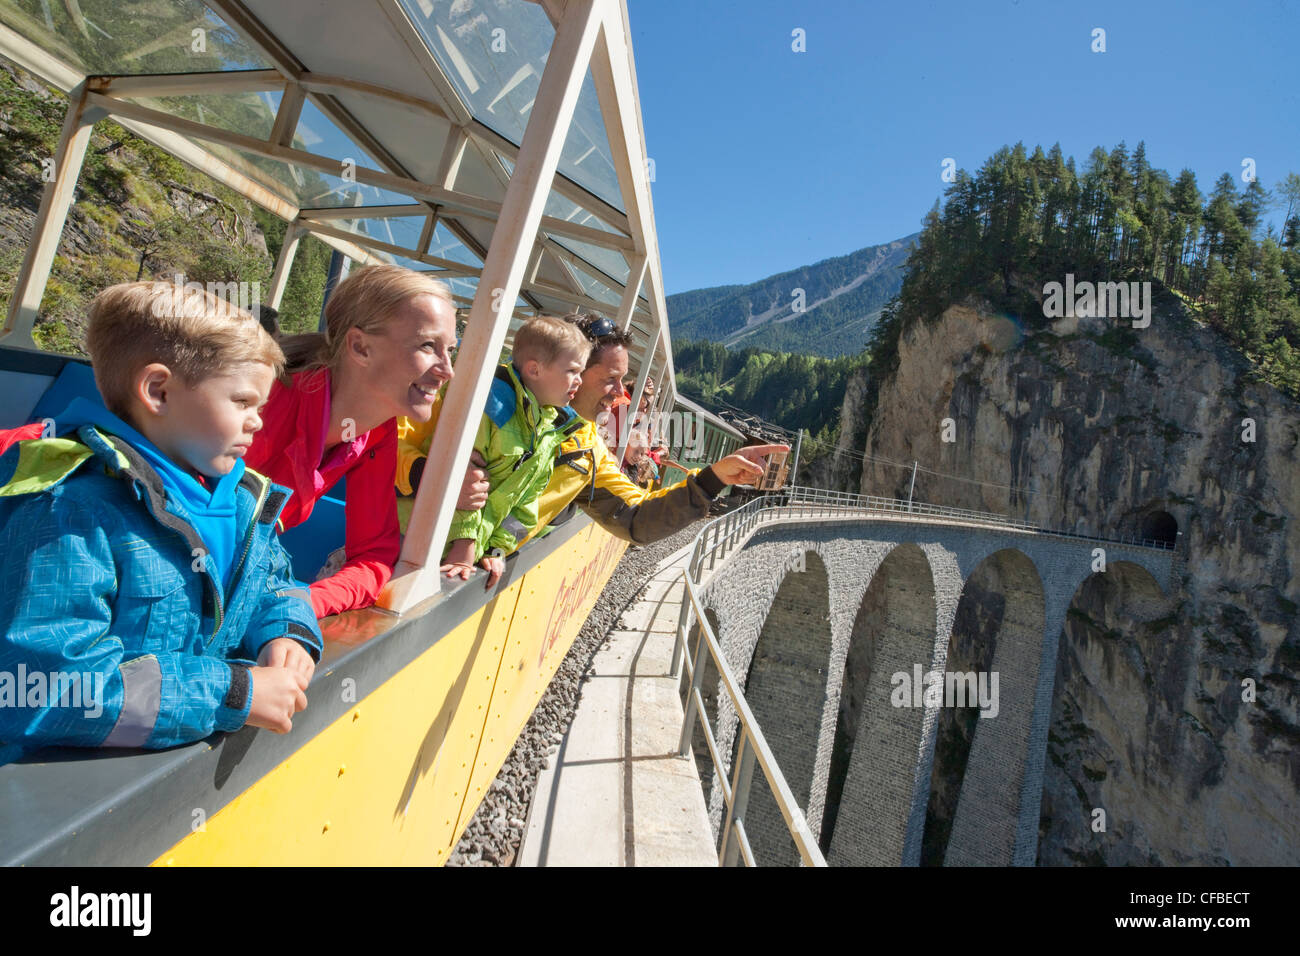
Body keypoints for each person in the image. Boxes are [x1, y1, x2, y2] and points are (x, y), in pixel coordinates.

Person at [0, 281, 322, 755]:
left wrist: (288, 631)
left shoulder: (239, 500)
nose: (258, 422)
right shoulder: (72, 511)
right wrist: (233, 692)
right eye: (242, 402)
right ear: (159, 391)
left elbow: (276, 581)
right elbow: (47, 689)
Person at [245, 265, 456, 618]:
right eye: (428, 345)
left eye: (450, 349)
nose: (447, 369)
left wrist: (301, 604)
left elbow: (374, 555)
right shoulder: (266, 403)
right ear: (360, 347)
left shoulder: (378, 431)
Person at [439, 316, 590, 587]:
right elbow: (465, 478)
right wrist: (463, 542)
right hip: (429, 545)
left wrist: (498, 549)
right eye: (572, 371)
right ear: (534, 370)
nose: (579, 381)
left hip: (468, 555)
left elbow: (527, 503)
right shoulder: (490, 405)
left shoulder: (550, 429)